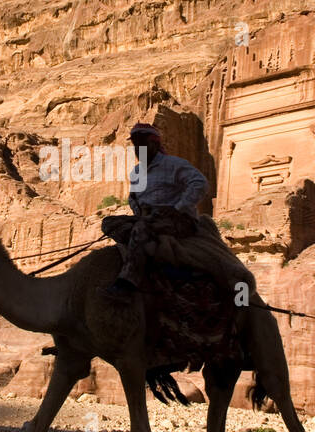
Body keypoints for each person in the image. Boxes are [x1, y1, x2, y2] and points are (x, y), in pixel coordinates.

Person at [101, 122, 246, 299]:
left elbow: (199, 183)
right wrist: (139, 213)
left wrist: (177, 208)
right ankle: (151, 258)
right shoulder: (137, 171)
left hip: (178, 219)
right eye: (136, 144)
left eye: (142, 143)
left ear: (154, 143)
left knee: (142, 230)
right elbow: (133, 198)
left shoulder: (173, 164)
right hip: (148, 217)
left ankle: (128, 282)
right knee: (108, 223)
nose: (138, 148)